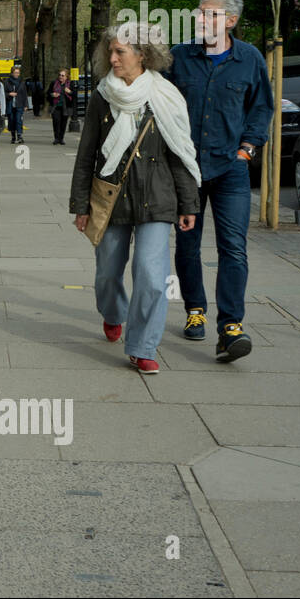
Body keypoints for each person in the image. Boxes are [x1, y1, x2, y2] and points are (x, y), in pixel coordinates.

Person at [71, 22, 201, 374]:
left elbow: (180, 152)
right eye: (109, 52)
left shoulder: (166, 95)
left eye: (120, 52)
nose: (111, 58)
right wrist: (80, 206)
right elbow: (87, 155)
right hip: (112, 198)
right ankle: (113, 313)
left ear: (142, 55)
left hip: (158, 199)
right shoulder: (102, 96)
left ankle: (142, 346)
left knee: (150, 273)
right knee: (108, 273)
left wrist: (189, 204)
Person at [165, 0, 274, 362]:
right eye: (199, 11)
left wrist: (247, 150)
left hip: (231, 169)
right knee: (187, 245)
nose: (200, 18)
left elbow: (261, 107)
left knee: (233, 247)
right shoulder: (179, 57)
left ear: (230, 20)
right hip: (187, 170)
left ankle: (231, 327)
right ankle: (195, 310)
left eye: (209, 13)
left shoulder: (250, 59)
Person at [47, 67, 74, 144]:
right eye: (60, 75)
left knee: (63, 123)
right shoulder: (54, 83)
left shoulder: (70, 84)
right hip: (55, 106)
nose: (60, 77)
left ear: (66, 77)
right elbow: (48, 94)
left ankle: (61, 138)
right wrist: (52, 94)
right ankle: (56, 138)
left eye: (63, 75)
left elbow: (74, 96)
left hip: (66, 107)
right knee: (56, 122)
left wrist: (70, 92)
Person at [4, 65, 30, 143]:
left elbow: (24, 94)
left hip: (20, 104)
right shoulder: (7, 82)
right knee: (11, 120)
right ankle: (13, 136)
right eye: (15, 73)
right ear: (12, 73)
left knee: (18, 120)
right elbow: (3, 93)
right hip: (10, 104)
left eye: (18, 73)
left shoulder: (22, 82)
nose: (17, 74)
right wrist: (9, 94)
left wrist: (26, 105)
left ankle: (19, 136)